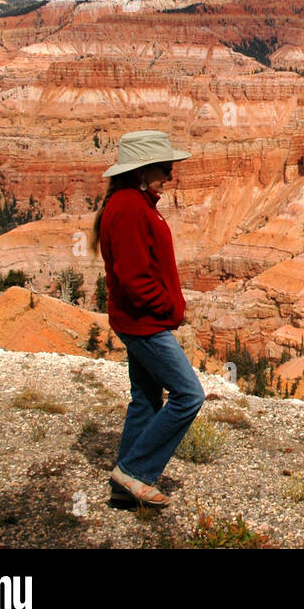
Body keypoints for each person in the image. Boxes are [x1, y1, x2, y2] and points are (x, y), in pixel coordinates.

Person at [91, 130, 203, 509]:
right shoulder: (128, 208)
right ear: (142, 170)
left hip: (137, 320)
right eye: (164, 167)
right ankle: (136, 472)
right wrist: (168, 309)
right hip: (144, 323)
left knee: (145, 398)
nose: (170, 175)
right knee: (189, 395)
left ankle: (124, 487)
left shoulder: (133, 202)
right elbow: (133, 277)